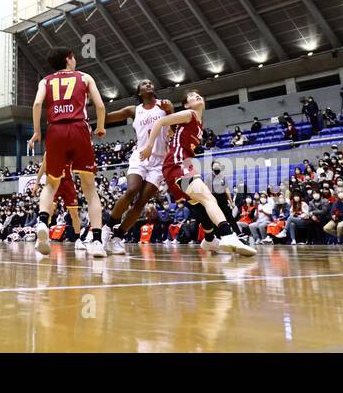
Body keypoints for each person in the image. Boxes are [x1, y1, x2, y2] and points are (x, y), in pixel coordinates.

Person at [142, 91, 255, 256]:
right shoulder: (190, 114)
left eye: (198, 94)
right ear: (186, 105)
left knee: (200, 206)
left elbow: (172, 134)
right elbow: (160, 122)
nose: (197, 96)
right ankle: (228, 235)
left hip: (177, 167)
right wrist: (149, 146)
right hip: (178, 164)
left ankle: (209, 239)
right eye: (192, 96)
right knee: (208, 198)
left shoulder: (199, 124)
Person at [29, 47, 108, 258]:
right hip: (79, 129)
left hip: (55, 130)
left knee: (51, 184)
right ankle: (98, 241)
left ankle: (42, 223)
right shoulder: (85, 77)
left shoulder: (45, 81)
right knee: (90, 189)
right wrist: (100, 127)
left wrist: (37, 132)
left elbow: (37, 104)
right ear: (68, 59)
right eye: (74, 57)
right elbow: (100, 106)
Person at [100, 79, 172, 254]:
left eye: (150, 83)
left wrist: (170, 109)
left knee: (141, 203)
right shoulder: (134, 110)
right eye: (144, 84)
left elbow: (172, 124)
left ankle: (118, 237)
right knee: (132, 189)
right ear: (139, 92)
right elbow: (108, 117)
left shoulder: (164, 106)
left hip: (159, 160)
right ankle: (107, 228)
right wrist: (96, 116)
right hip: (140, 156)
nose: (148, 84)